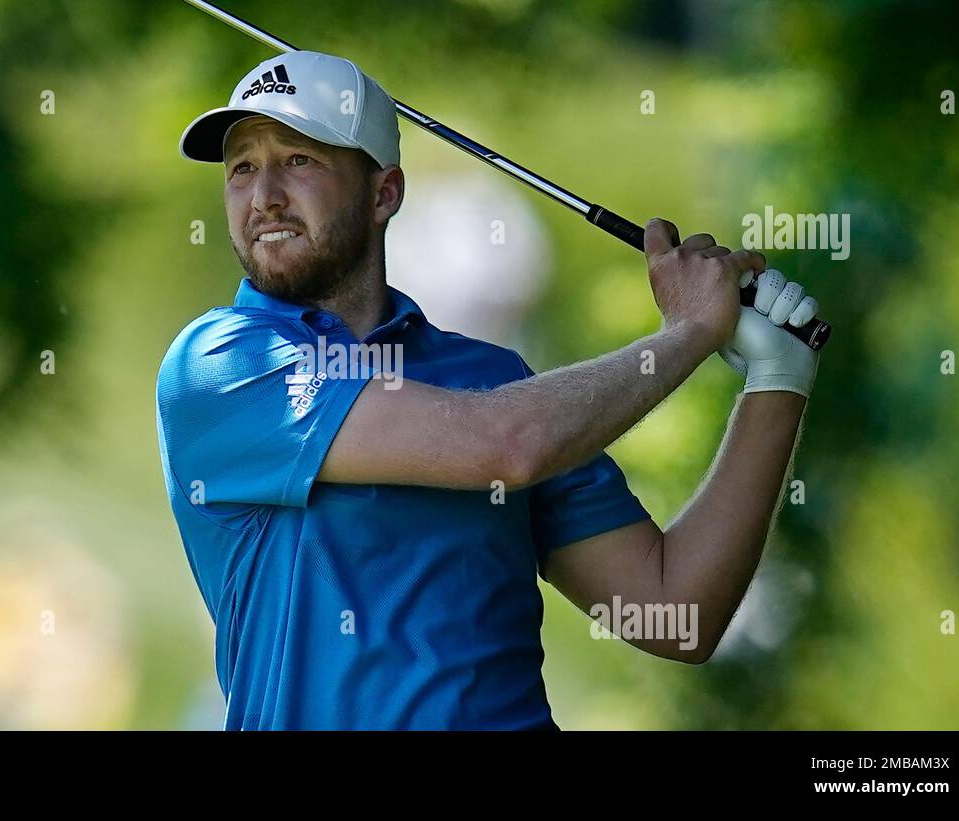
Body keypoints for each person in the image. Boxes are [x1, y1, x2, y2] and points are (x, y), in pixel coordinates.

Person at [157, 51, 820, 730]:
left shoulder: (494, 382)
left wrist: (778, 379)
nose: (263, 194)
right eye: (242, 168)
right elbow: (505, 445)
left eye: (297, 160)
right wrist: (688, 334)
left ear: (384, 193)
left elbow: (677, 610)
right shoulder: (221, 364)